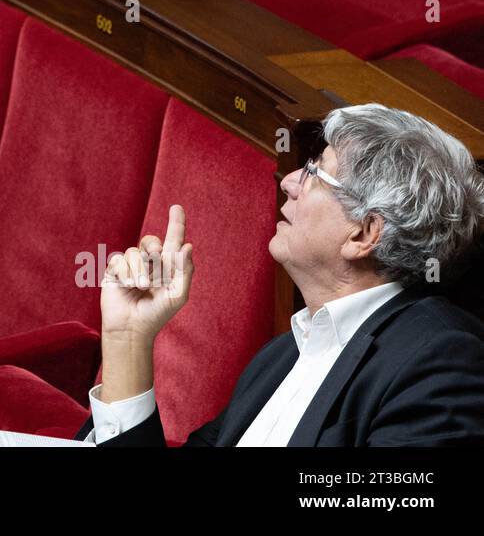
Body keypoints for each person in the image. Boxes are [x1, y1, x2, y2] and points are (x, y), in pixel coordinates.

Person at [78, 103, 484, 446]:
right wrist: (128, 339)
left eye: (315, 173)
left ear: (363, 233)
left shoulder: (442, 357)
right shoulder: (287, 352)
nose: (289, 181)